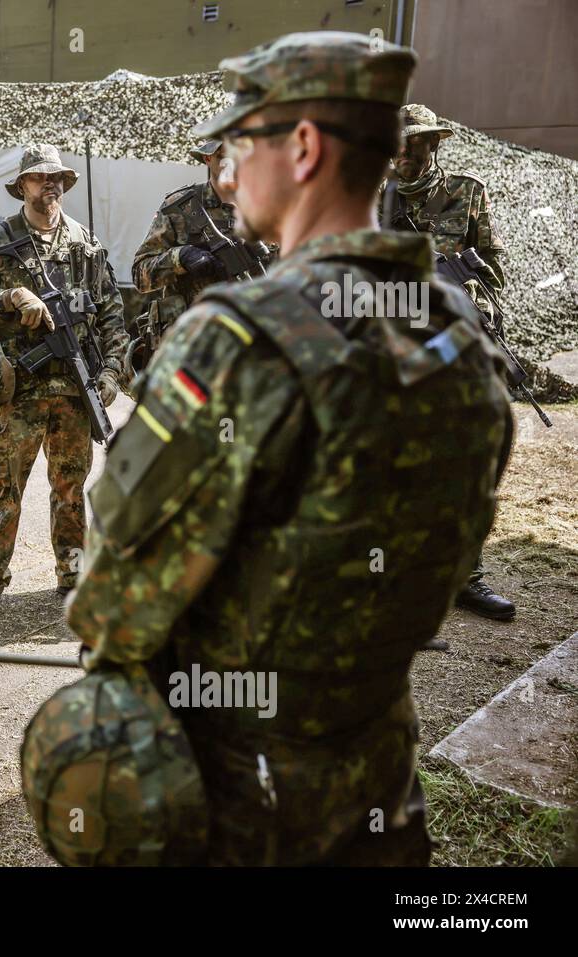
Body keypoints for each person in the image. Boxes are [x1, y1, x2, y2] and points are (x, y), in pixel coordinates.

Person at [65, 32, 514, 865]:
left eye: (241, 143)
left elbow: (111, 609)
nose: (227, 171)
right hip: (381, 787)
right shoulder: (459, 343)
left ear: (303, 147)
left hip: (242, 804)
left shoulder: (235, 343)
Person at [0, 144, 127, 621]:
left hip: (73, 393)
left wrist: (111, 370)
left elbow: (112, 313)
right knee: (5, 490)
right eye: (38, 178)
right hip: (17, 392)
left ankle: (72, 577)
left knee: (70, 490)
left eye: (56, 179)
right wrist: (9, 297)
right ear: (22, 186)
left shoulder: (84, 244)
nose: (48, 185)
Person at [386, 102, 514, 622]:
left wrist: (472, 296)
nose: (403, 153)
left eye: (414, 143)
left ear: (433, 144)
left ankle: (466, 577)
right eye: (397, 142)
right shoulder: (369, 202)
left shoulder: (466, 192)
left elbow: (495, 274)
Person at [130, 139, 273, 370]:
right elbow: (140, 275)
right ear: (207, 158)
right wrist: (180, 257)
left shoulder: (267, 211)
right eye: (222, 155)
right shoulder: (181, 207)